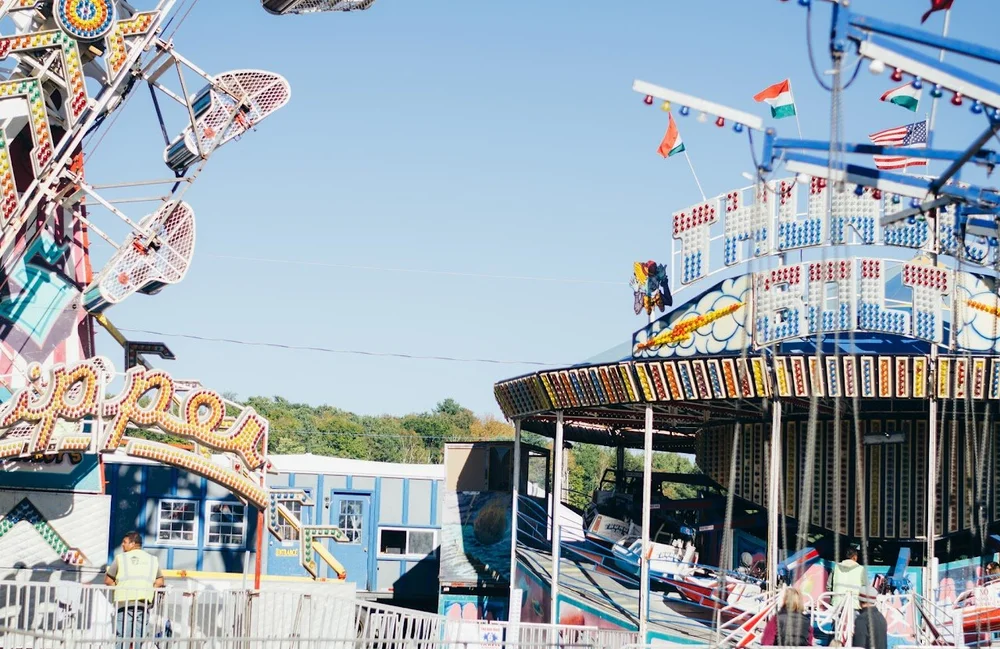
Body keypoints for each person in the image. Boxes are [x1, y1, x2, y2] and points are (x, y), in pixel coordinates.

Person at [105, 532, 164, 648]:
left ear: (133, 544)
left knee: (122, 637)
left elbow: (107, 580)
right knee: (139, 637)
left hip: (124, 602)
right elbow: (160, 582)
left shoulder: (120, 558)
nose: (122, 545)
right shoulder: (152, 559)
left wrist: (117, 585)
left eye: (125, 542)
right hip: (143, 603)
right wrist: (149, 590)